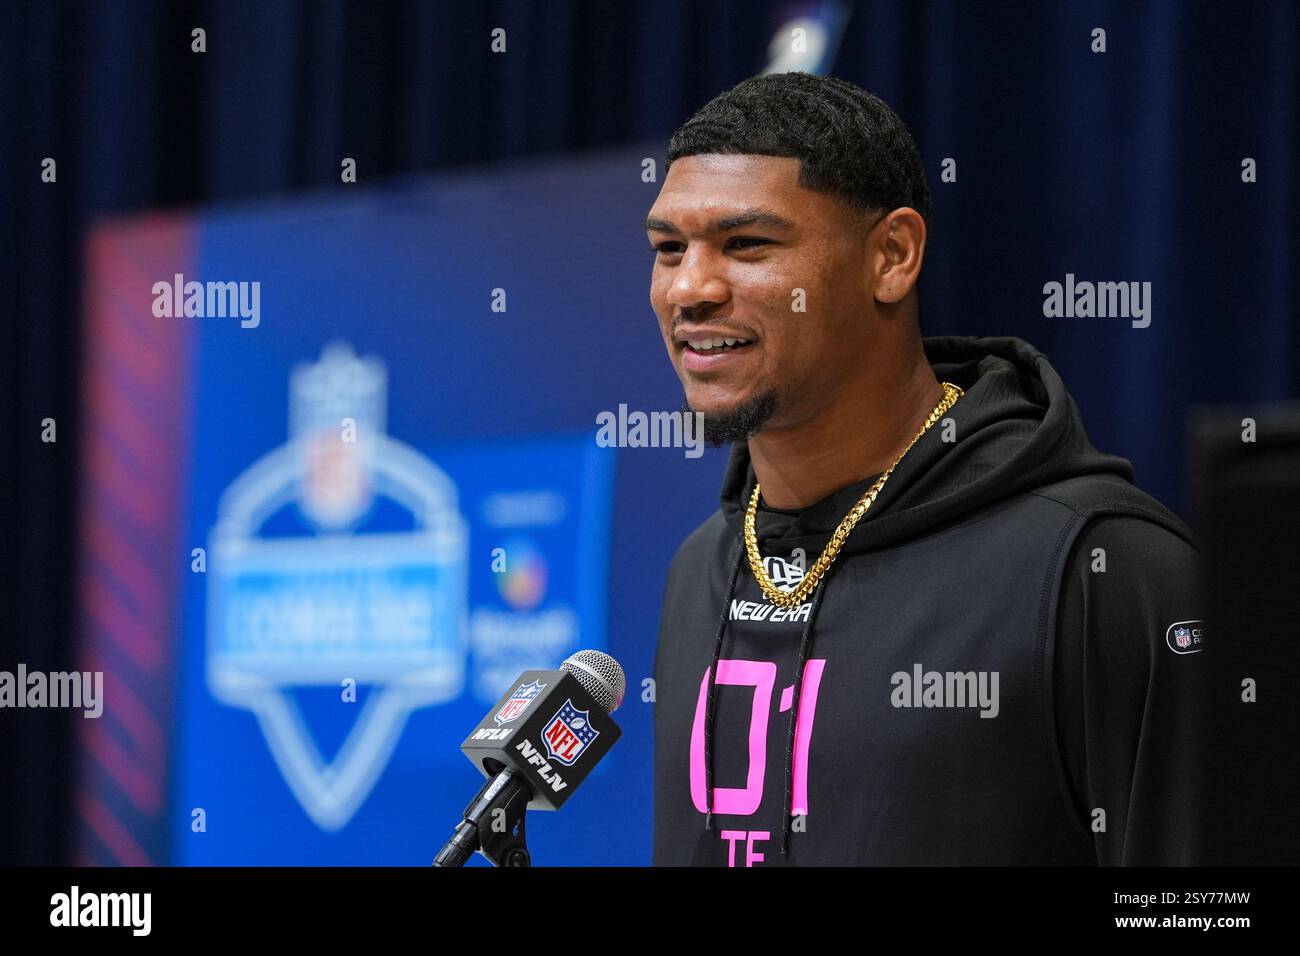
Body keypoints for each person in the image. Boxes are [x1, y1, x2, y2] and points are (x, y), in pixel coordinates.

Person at [646, 71, 1208, 866]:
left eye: (747, 245)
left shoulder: (1106, 567)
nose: (690, 289)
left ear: (893, 256)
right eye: (669, 249)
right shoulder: (702, 565)